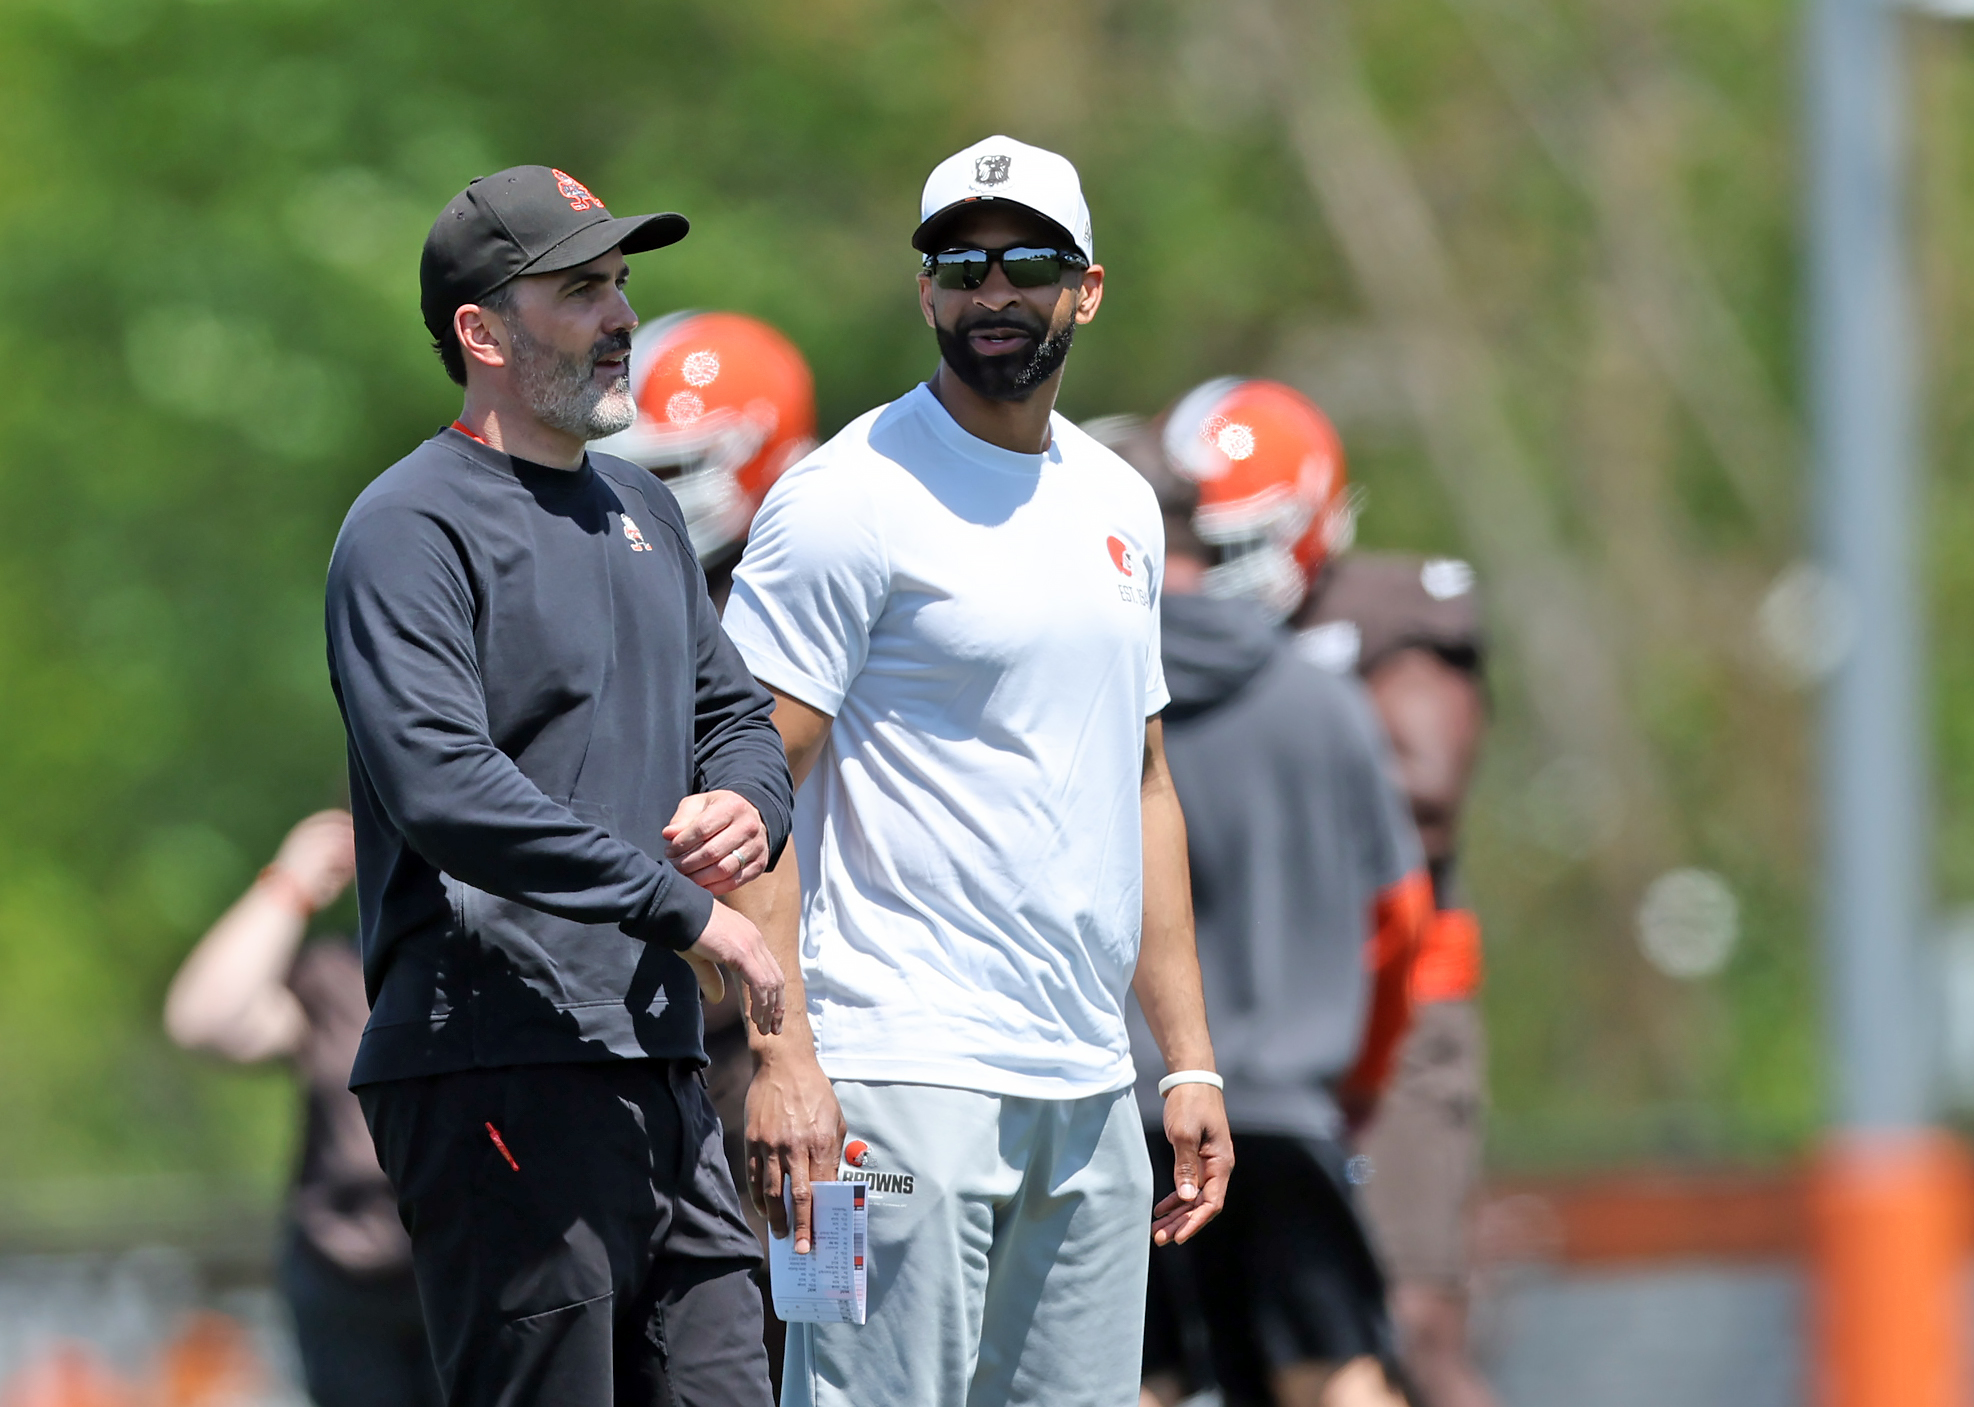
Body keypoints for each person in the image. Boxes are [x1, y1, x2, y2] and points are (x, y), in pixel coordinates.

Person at [718, 136, 1233, 1407]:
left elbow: (1145, 783)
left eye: (1028, 263)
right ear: (926, 291)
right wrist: (787, 1061)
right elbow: (746, 787)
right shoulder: (845, 498)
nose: (992, 291)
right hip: (889, 1082)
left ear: (1088, 287)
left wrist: (1187, 1060)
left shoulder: (1121, 503)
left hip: (1085, 1087)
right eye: (961, 263)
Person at [323, 165, 795, 1407]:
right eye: (580, 289)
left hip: (654, 1061)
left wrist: (752, 804)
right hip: (492, 1058)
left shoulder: (638, 505)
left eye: (623, 284)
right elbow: (446, 786)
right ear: (481, 331)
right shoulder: (407, 526)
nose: (622, 315)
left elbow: (734, 715)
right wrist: (686, 911)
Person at [1101, 380, 1433, 1407]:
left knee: (1139, 1376)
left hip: (1133, 1111)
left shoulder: (1100, 699)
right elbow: (1400, 926)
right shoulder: (1324, 699)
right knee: (1332, 1369)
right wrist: (1357, 1082)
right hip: (1289, 1112)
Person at [592, 307, 818, 1392]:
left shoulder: (811, 609)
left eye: (683, 465)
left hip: (793, 1042)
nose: (655, 490)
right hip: (683, 1045)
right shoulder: (635, 603)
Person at [1296, 553, 1495, 1407]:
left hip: (1403, 1004)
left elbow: (1430, 788)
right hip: (1280, 1020)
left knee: (1413, 1325)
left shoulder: (1381, 616)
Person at [165, 809, 441, 1407]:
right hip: (347, 1276)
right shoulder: (337, 972)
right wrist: (287, 886)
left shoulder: (513, 960)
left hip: (479, 1266)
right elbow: (206, 1022)